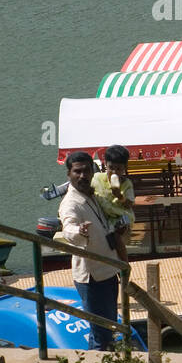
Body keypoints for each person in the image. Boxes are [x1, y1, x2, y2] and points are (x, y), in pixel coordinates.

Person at [58, 151, 123, 350]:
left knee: (107, 329)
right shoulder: (70, 203)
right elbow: (68, 228)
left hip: (108, 270)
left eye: (87, 171)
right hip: (92, 278)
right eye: (77, 171)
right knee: (101, 333)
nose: (83, 175)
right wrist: (79, 231)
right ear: (69, 174)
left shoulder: (91, 194)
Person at [91, 145, 135, 262]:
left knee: (116, 237)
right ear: (105, 164)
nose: (114, 172)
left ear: (125, 167)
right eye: (111, 168)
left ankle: (124, 267)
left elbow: (129, 204)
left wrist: (120, 196)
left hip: (120, 217)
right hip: (101, 216)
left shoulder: (127, 184)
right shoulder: (97, 178)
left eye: (119, 169)